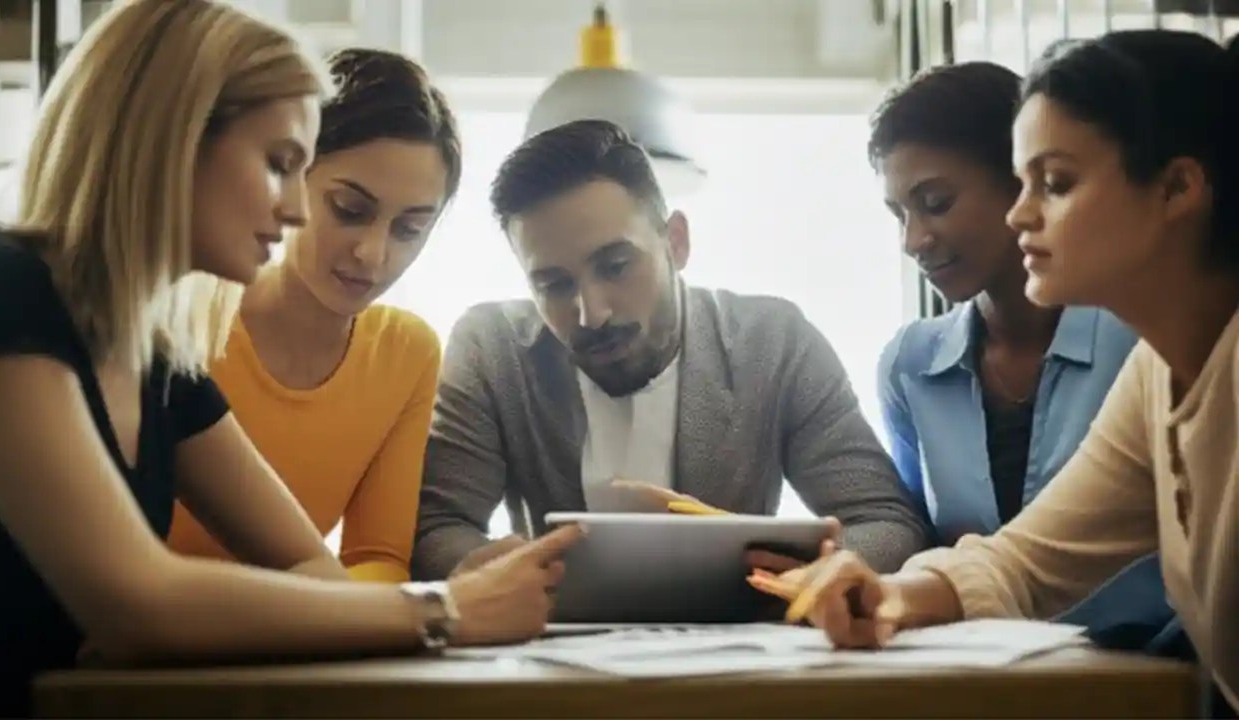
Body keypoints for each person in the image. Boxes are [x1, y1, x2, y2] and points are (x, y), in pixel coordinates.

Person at [0, 1, 578, 715]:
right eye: (281, 165)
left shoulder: (160, 364)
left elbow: (308, 565)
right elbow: (135, 602)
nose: (291, 210)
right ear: (174, 140)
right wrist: (446, 609)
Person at [752, 30, 1239, 718]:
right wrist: (889, 593)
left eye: (1056, 183)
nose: (1021, 212)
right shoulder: (1158, 377)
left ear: (1178, 187)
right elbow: (1026, 559)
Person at [411, 119, 928, 582]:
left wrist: (813, 569)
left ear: (675, 242)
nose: (592, 313)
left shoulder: (773, 341)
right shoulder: (491, 347)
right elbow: (438, 528)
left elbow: (887, 524)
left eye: (615, 266)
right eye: (552, 284)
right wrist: (491, 569)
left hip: (740, 657)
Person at [868, 62, 1174, 650]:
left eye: (935, 202)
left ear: (1020, 183)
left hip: (1153, 677)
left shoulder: (1147, 339)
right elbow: (933, 545)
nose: (913, 240)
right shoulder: (910, 366)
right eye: (899, 214)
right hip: (981, 676)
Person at [167, 48, 457, 584]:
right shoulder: (181, 321)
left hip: (296, 648)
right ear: (291, 176)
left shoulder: (406, 353)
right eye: (350, 210)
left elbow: (379, 558)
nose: (373, 253)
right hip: (142, 649)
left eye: (409, 228)